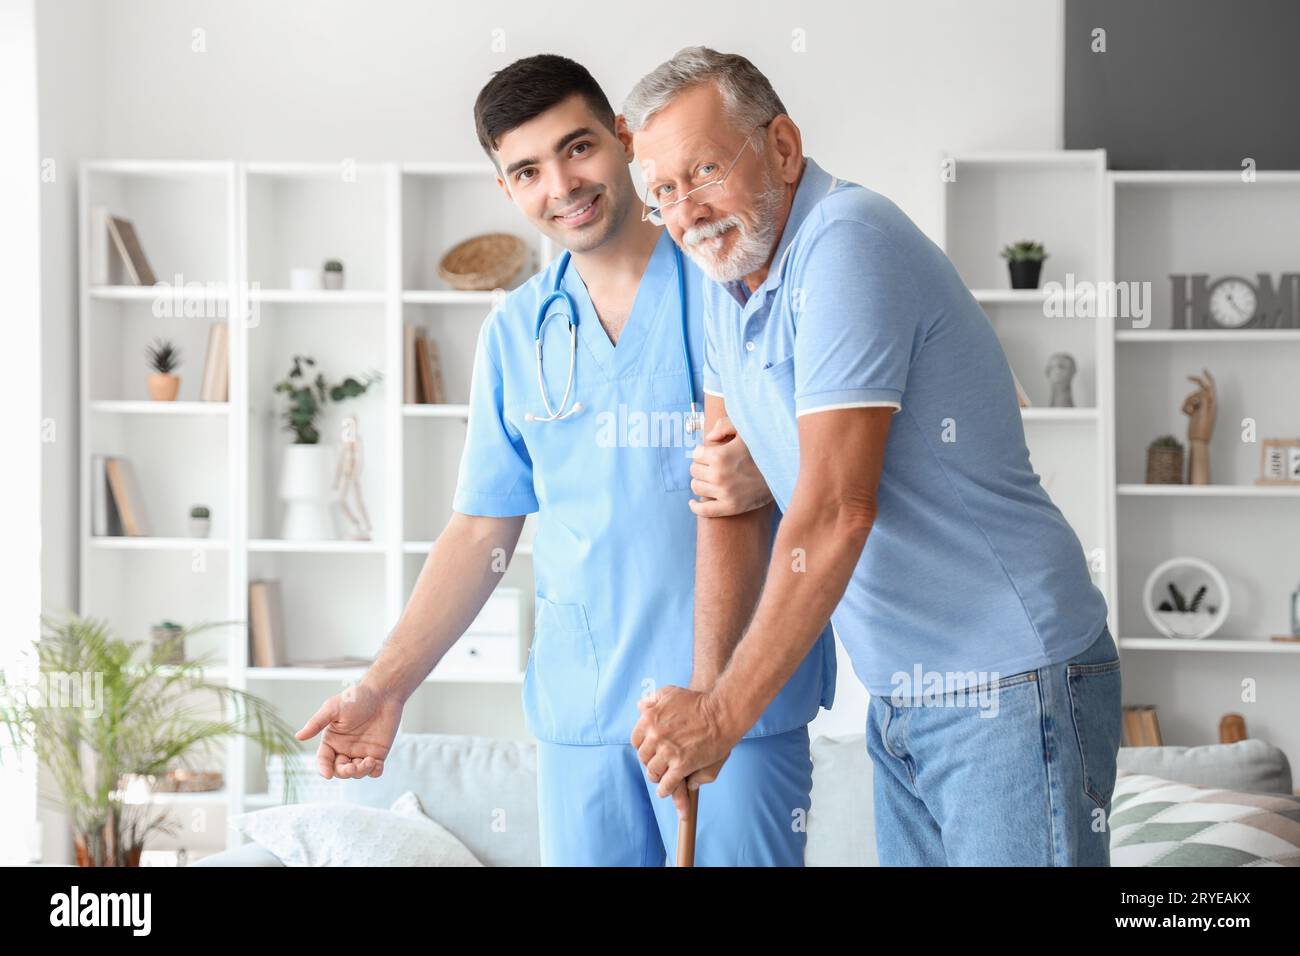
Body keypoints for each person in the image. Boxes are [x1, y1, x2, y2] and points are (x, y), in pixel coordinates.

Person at [295, 54, 836, 866]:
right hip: (586, 721)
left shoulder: (726, 276)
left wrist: (775, 470)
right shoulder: (517, 332)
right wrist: (386, 684)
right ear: (507, 189)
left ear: (623, 140)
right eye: (527, 170)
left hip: (735, 707)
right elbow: (483, 530)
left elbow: (842, 467)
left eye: (577, 148)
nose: (562, 185)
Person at [625, 47, 1122, 866]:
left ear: (782, 147)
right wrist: (707, 696)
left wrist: (721, 721)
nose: (688, 211)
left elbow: (835, 508)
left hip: (1011, 680)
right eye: (665, 192)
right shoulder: (724, 284)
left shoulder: (847, 242)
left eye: (705, 169)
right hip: (902, 692)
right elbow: (728, 498)